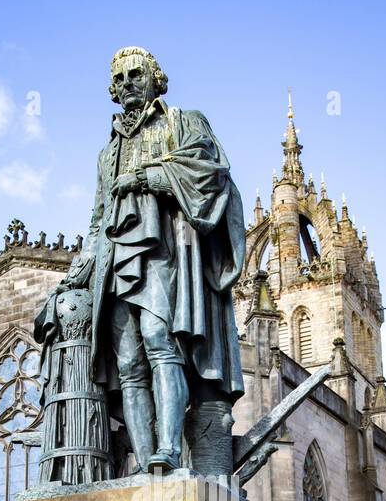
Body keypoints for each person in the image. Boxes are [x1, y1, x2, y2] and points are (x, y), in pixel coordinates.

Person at [37, 46, 245, 475]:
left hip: (166, 251)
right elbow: (97, 219)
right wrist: (76, 275)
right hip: (116, 260)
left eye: (135, 74)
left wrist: (151, 177)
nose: (127, 83)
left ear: (154, 78)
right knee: (128, 363)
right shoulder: (106, 154)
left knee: (159, 342)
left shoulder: (183, 122)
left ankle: (169, 450)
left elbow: (210, 171)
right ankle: (147, 460)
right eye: (119, 79)